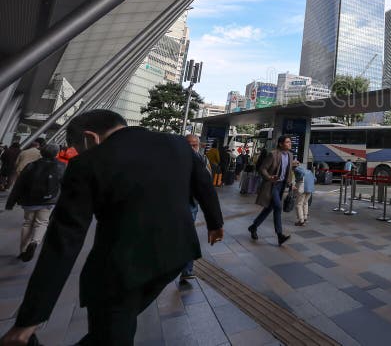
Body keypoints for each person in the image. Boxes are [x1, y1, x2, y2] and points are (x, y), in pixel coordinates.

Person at [0, 110, 224, 346]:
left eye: (78, 146)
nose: (79, 152)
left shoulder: (87, 164)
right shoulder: (177, 144)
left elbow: (64, 241)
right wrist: (215, 223)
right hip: (176, 256)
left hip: (119, 272)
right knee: (112, 329)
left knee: (112, 330)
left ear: (90, 137)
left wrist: (28, 320)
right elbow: (203, 182)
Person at [5, 144, 64, 262]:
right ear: (56, 153)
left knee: (27, 223)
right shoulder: (61, 166)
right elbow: (65, 185)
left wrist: (11, 202)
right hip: (49, 200)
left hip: (30, 200)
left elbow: (19, 185)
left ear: (41, 152)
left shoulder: (31, 166)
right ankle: (34, 242)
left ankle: (23, 251)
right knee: (41, 223)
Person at [247, 135, 297, 246]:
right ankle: (280, 235)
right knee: (278, 207)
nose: (290, 144)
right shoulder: (273, 154)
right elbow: (262, 168)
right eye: (287, 142)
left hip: (281, 186)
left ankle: (253, 227)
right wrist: (269, 177)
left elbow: (287, 172)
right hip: (271, 185)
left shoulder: (290, 155)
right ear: (280, 144)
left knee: (268, 209)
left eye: (290, 142)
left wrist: (290, 184)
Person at [181, 134, 213, 283]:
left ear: (199, 146)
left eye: (194, 145)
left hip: (191, 204)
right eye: (188, 144)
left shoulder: (203, 160)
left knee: (188, 235)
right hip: (173, 203)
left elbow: (207, 182)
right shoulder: (174, 160)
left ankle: (187, 270)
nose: (192, 148)